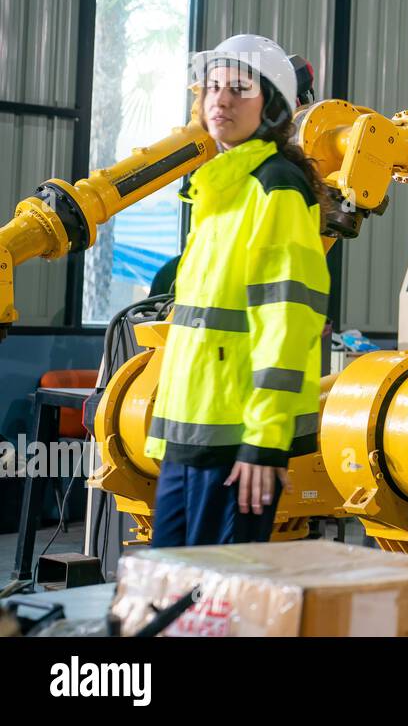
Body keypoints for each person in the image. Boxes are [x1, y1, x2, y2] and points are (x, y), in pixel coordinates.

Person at [146, 34, 330, 547]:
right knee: (170, 592)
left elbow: (288, 323)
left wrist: (265, 442)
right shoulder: (216, 190)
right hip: (190, 436)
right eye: (212, 88)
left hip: (238, 447)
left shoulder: (276, 188)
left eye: (239, 90)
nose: (220, 100)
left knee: (218, 609)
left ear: (270, 107)